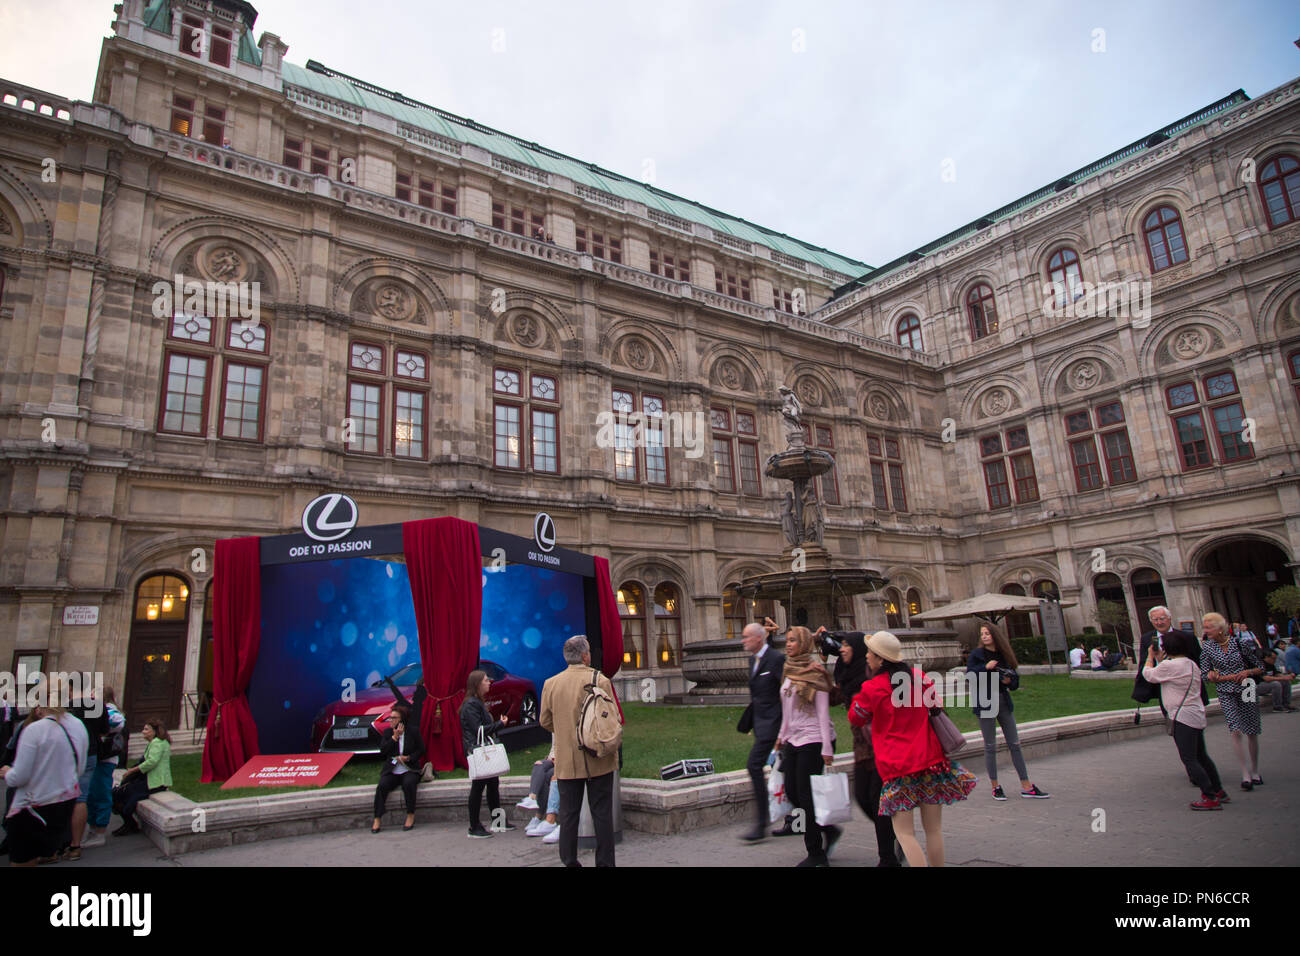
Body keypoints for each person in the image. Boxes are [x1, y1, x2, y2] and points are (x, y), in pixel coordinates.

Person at [849, 631, 976, 868]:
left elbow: (856, 717)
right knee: (934, 829)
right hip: (930, 760)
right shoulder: (919, 677)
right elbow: (936, 705)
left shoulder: (873, 688)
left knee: (905, 834)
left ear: (880, 659)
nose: (867, 657)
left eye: (870, 653)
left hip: (898, 768)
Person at [539, 635, 618, 867]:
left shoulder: (551, 684)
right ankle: (605, 863)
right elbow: (610, 718)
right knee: (602, 814)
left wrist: (565, 730)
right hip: (598, 758)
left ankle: (570, 861)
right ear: (585, 656)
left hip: (567, 761)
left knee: (569, 814)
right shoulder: (599, 680)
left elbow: (544, 720)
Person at [773, 625, 839, 867]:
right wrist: (781, 735)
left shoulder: (815, 672)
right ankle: (828, 829)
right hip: (793, 739)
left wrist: (827, 749)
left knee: (806, 795)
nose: (788, 644)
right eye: (787, 640)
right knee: (792, 791)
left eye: (793, 641)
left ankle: (816, 854)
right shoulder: (789, 669)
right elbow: (787, 709)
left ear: (803, 644)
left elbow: (823, 714)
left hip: (814, 739)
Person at [833, 630, 900, 866]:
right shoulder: (852, 673)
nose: (841, 650)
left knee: (875, 798)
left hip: (879, 746)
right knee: (862, 796)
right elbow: (838, 685)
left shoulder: (868, 679)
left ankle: (889, 855)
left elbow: (861, 712)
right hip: (863, 746)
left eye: (845, 646)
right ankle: (896, 834)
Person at [1143, 631, 1227, 810]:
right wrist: (1161, 660)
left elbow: (1149, 674)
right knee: (1201, 755)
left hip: (1182, 717)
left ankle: (1209, 796)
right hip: (1195, 713)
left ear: (1167, 648)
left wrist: (1150, 657)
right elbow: (1165, 673)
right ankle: (1218, 790)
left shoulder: (1170, 666)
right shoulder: (1190, 664)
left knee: (1189, 759)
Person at [966, 623, 1049, 800]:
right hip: (985, 702)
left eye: (987, 633)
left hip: (1003, 701)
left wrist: (1009, 682)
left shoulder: (1004, 655)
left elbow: (1015, 681)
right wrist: (985, 668)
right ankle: (995, 786)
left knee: (1015, 744)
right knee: (990, 746)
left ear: (995, 635)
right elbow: (969, 676)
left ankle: (1026, 785)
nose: (985, 636)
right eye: (982, 634)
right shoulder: (976, 655)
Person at [0, 704, 88, 866]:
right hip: (62, 803)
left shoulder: (35, 729)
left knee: (23, 861)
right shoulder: (77, 725)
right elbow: (79, 769)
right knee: (41, 852)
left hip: (32, 805)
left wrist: (7, 773)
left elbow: (19, 777)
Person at [1199, 612, 1263, 790]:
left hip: (1247, 687)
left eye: (1209, 627)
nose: (1206, 631)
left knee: (1251, 730)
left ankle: (1255, 769)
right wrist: (1211, 675)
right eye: (1205, 627)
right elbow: (1204, 673)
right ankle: (1245, 773)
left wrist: (1247, 672)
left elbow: (1260, 666)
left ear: (1220, 629)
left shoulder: (1240, 643)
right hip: (1226, 690)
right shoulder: (1208, 648)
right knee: (1235, 730)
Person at [738, 617, 784, 842]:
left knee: (754, 765)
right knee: (791, 778)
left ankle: (761, 823)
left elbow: (786, 695)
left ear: (758, 638)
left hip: (775, 726)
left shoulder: (776, 659)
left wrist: (782, 731)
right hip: (761, 724)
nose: (743, 640)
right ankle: (809, 822)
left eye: (746, 636)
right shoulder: (753, 660)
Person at [459, 668, 512, 838]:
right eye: (485, 680)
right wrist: (500, 725)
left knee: (492, 784)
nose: (489, 682)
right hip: (478, 751)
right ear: (477, 684)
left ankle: (498, 821)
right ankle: (474, 826)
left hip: (483, 750)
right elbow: (478, 730)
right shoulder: (471, 705)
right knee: (478, 787)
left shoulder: (476, 702)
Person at [62, 693, 109, 860]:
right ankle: (75, 843)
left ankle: (56, 845)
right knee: (81, 797)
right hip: (91, 751)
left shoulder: (67, 705)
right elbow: (105, 729)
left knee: (61, 794)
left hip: (69, 751)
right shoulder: (97, 705)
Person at [83, 688, 125, 849]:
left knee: (100, 792)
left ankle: (99, 830)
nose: (91, 696)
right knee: (91, 793)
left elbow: (118, 722)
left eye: (94, 693)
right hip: (96, 756)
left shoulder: (109, 711)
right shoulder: (98, 709)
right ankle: (92, 828)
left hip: (105, 757)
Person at [114, 718, 172, 835]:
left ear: (154, 731)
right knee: (120, 793)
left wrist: (131, 771)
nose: (143, 732)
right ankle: (128, 822)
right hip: (150, 781)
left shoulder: (157, 743)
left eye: (146, 729)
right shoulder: (157, 743)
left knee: (122, 793)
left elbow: (151, 762)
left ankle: (129, 823)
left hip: (154, 783)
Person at [371, 709, 424, 833]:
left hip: (409, 768)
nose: (391, 720)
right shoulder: (388, 733)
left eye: (394, 718)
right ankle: (377, 817)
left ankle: (410, 814)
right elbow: (383, 751)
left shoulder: (413, 731)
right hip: (393, 769)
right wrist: (395, 737)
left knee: (408, 784)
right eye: (390, 717)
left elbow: (421, 749)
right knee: (382, 786)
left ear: (402, 720)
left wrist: (409, 758)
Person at [384, 673, 435, 782]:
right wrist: (392, 685)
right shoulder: (411, 708)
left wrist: (408, 758)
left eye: (416, 692)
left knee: (409, 782)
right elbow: (400, 698)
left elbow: (421, 749)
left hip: (413, 737)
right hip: (396, 763)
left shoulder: (422, 709)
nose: (414, 694)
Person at [521, 741, 558, 837]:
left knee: (548, 776)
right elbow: (555, 745)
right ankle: (532, 797)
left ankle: (539, 816)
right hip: (553, 759)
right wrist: (550, 758)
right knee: (539, 765)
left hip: (566, 761)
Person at [1258, 648, 1296, 712]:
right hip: (1257, 685)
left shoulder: (1271, 664)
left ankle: (1286, 704)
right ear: (1267, 657)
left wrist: (1287, 677)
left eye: (1275, 658)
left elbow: (1276, 674)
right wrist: (1282, 678)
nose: (1275, 660)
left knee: (1285, 682)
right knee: (1276, 684)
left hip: (1267, 684)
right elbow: (1266, 678)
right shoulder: (1260, 664)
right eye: (1273, 658)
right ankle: (1277, 707)